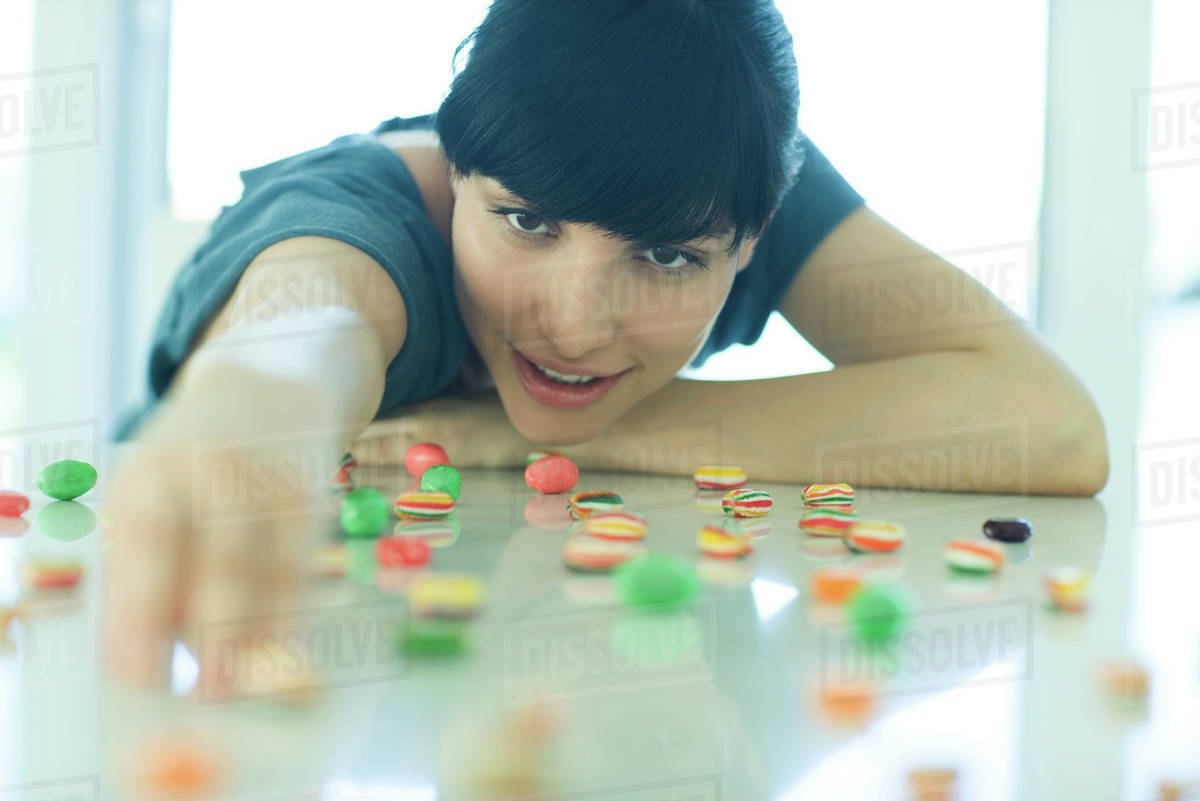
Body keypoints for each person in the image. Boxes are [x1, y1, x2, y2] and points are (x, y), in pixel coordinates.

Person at [103, 0, 1108, 689]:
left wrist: (559, 445)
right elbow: (305, 316)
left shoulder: (730, 166)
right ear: (457, 175)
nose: (576, 326)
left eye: (667, 258)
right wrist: (259, 396)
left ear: (754, 238)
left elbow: (1053, 428)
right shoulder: (358, 214)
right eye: (526, 222)